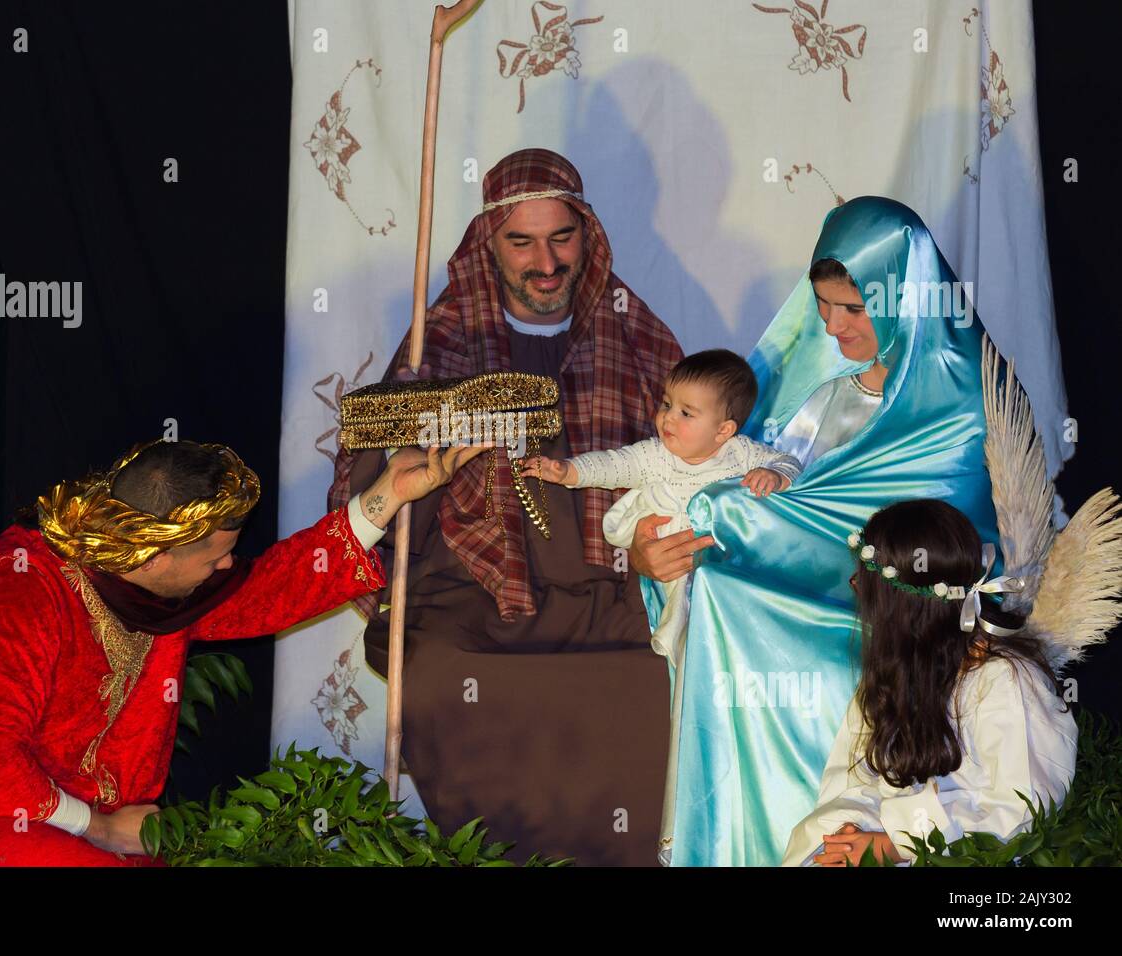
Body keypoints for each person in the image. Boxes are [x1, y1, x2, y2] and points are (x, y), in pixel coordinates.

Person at [0, 437, 483, 866]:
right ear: (155, 555)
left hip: (64, 819)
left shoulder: (158, 589)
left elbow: (268, 589)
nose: (229, 567)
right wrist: (96, 828)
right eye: (216, 558)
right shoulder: (15, 594)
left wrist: (389, 496)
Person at [328, 148, 693, 865]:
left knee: (651, 679)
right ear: (488, 244)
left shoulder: (638, 339)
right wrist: (411, 431)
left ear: (587, 235)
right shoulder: (438, 342)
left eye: (561, 238)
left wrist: (655, 552)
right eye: (521, 241)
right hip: (474, 600)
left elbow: (695, 463)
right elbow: (370, 486)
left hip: (609, 594)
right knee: (434, 671)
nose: (545, 262)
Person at [642, 197, 1003, 866]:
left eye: (854, 308)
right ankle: (737, 848)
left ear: (907, 295)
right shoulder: (820, 400)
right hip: (803, 606)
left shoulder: (969, 406)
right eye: (823, 306)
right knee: (720, 583)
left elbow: (971, 546)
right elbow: (749, 500)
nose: (833, 327)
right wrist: (671, 544)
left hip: (910, 628)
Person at [524, 348, 803, 862]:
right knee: (693, 599)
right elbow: (611, 465)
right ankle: (685, 640)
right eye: (667, 404)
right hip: (675, 578)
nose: (667, 419)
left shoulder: (741, 455)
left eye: (685, 412)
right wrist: (565, 471)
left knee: (730, 593)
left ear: (725, 430)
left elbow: (789, 460)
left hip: (725, 576)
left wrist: (778, 476)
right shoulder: (657, 455)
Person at [783, 499, 1077, 866]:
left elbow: (1019, 812)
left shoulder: (1002, 680)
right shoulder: (892, 673)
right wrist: (847, 838)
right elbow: (852, 782)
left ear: (901, 606)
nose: (856, 589)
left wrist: (893, 842)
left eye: (865, 586)